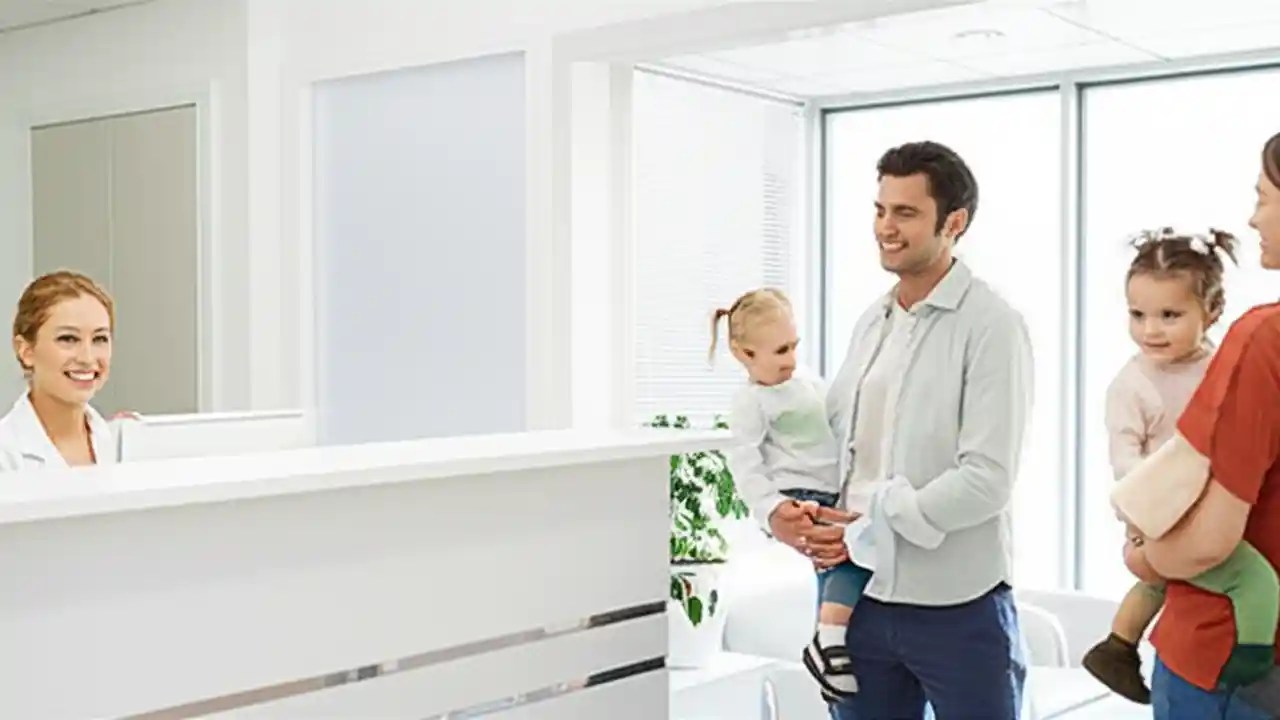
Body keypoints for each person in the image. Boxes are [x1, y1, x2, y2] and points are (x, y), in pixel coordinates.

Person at [771, 140, 1034, 719]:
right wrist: (791, 512)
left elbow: (987, 478)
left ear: (954, 222)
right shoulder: (873, 322)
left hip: (957, 608)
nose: (886, 227)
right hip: (856, 603)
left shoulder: (993, 325)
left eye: (906, 213)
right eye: (880, 209)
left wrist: (872, 525)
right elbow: (837, 451)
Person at [1111, 132, 1280, 720]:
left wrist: (1148, 561)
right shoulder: (1136, 385)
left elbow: (1210, 538)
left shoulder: (1262, 340)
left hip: (1225, 652)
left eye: (1263, 196)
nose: (1253, 216)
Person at [716, 287, 873, 702]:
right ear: (744, 354)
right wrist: (773, 508)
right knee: (843, 558)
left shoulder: (805, 382)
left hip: (834, 489)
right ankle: (829, 640)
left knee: (860, 553)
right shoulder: (752, 402)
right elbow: (744, 463)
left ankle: (832, 639)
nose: (789, 359)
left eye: (794, 346)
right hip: (799, 493)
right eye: (779, 350)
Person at [0, 270, 116, 470]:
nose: (87, 358)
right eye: (68, 339)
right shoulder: (6, 454)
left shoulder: (115, 440)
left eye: (99, 339)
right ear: (26, 351)